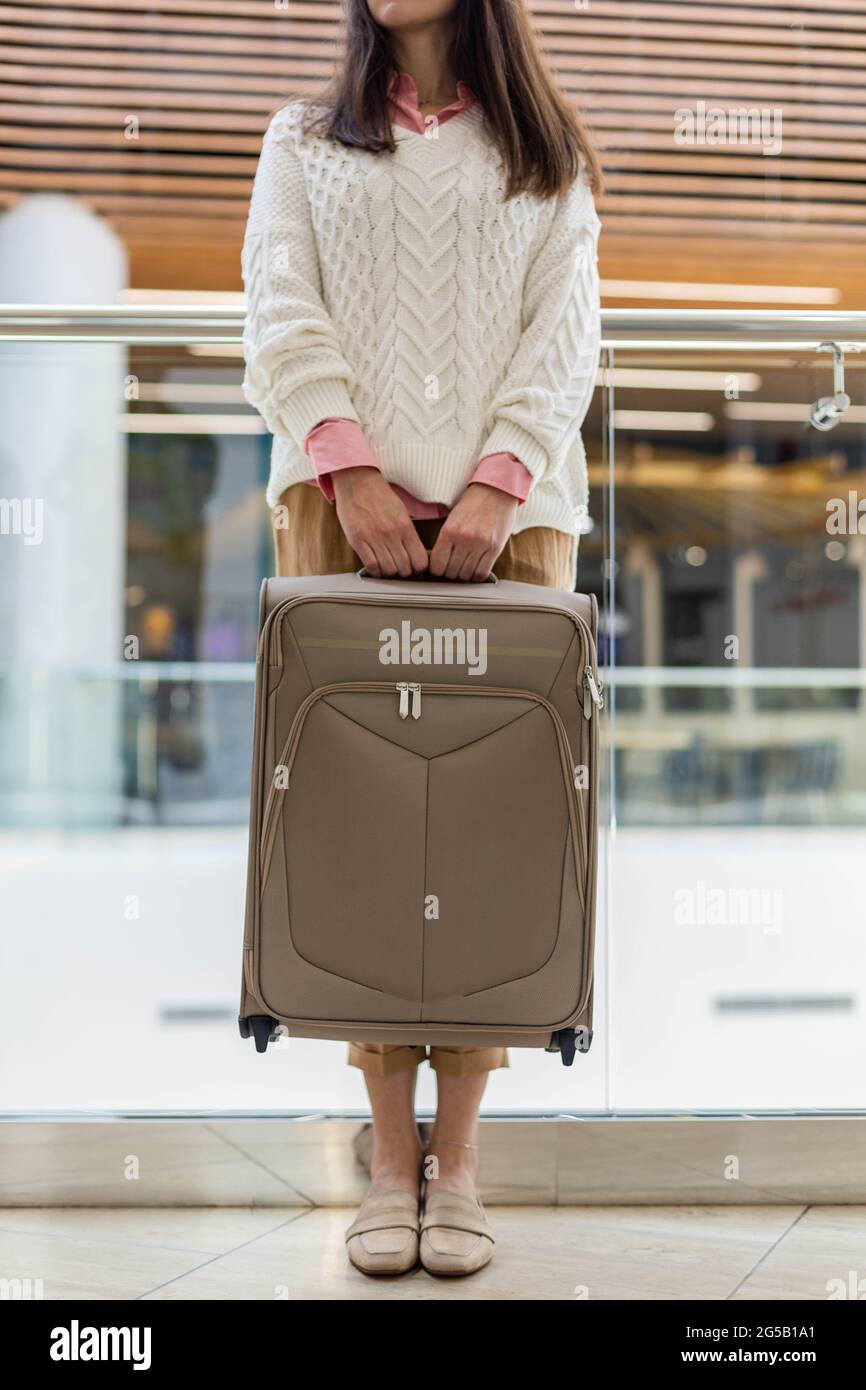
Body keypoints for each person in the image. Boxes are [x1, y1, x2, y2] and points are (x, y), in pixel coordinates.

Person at [242, 0, 601, 1277]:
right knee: (363, 832)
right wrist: (345, 470)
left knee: (495, 835)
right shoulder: (300, 139)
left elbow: (566, 333)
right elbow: (279, 304)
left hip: (515, 526)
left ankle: (460, 1157)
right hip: (345, 523)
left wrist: (501, 478)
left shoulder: (543, 147)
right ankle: (387, 1156)